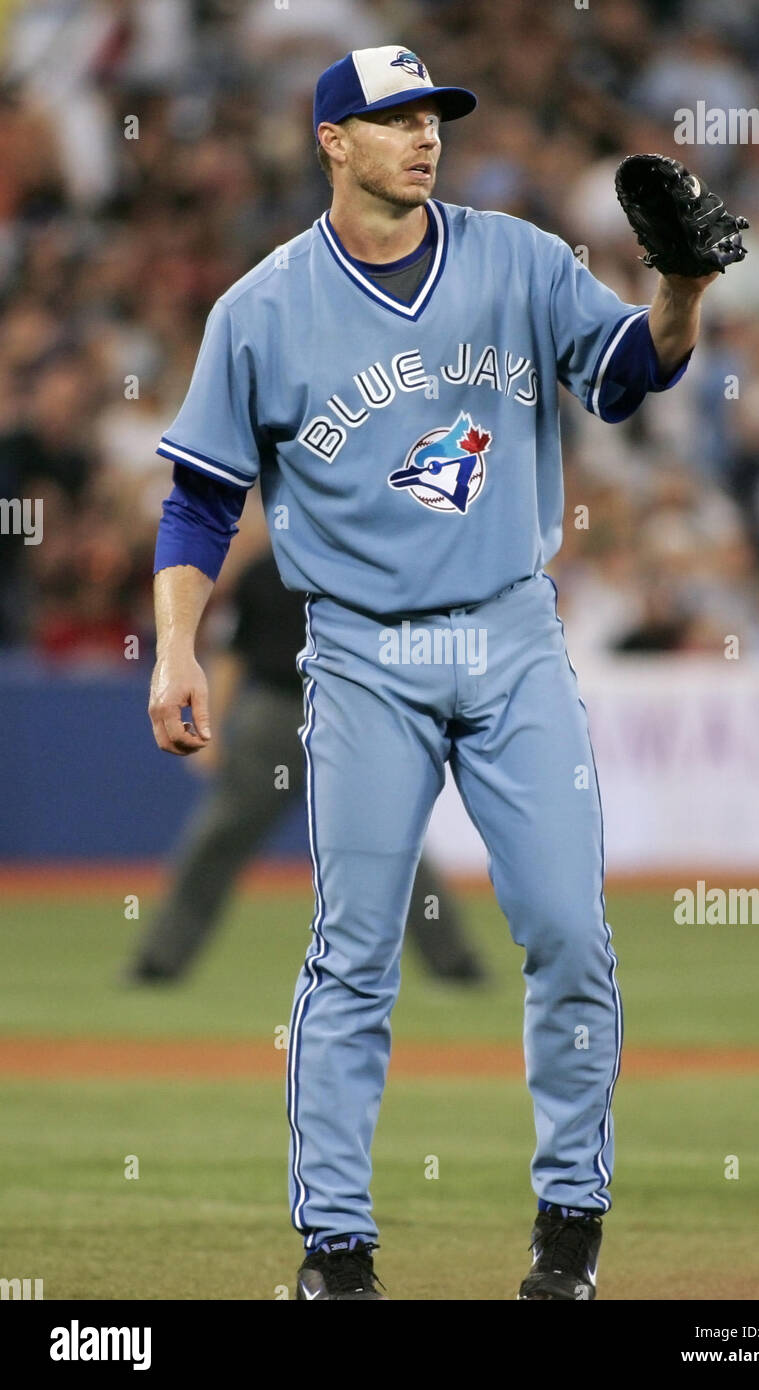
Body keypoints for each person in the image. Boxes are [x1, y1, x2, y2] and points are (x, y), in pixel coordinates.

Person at [147, 45, 716, 1300]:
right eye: (393, 117)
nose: (424, 134)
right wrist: (176, 647)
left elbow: (631, 375)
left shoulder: (514, 256)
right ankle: (335, 1252)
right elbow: (198, 499)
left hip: (511, 634)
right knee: (353, 950)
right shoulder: (260, 307)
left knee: (568, 928)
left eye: (433, 115)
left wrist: (677, 285)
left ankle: (567, 1232)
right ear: (331, 142)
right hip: (357, 650)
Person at [129, 547, 484, 985]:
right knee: (221, 837)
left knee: (393, 839)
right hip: (280, 712)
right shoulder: (268, 569)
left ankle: (454, 961)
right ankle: (160, 959)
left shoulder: (365, 557)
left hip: (346, 711)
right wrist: (212, 726)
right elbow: (232, 652)